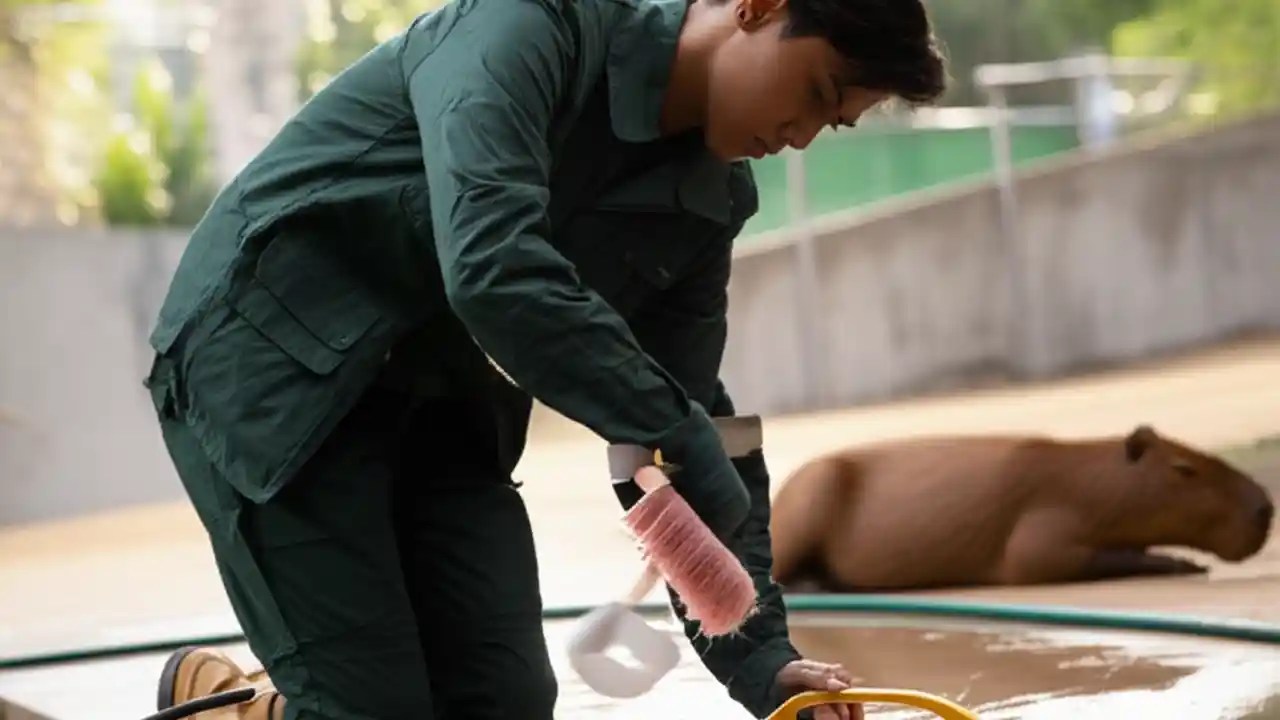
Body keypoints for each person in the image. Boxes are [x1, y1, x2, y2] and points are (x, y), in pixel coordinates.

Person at [142, 0, 946, 717]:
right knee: (374, 704)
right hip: (273, 367)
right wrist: (670, 423)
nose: (801, 136)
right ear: (756, 7)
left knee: (507, 701)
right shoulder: (526, 26)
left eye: (832, 125)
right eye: (815, 92)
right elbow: (493, 266)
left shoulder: (712, 199)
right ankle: (240, 706)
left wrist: (764, 664)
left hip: (445, 410)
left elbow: (691, 424)